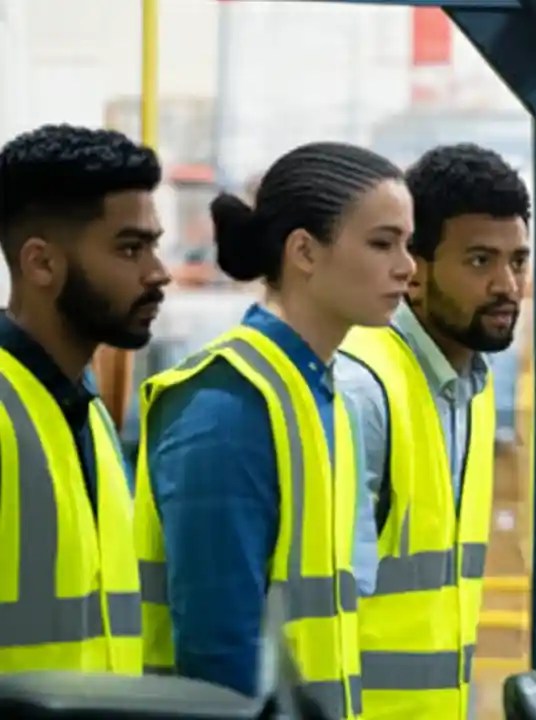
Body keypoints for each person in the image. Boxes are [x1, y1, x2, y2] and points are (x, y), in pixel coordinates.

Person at [132, 142, 415, 719]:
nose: (407, 266)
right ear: (305, 252)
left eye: (406, 244)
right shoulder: (228, 402)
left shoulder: (322, 393)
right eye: (383, 243)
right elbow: (218, 647)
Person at [335, 142, 531, 719]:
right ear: (413, 274)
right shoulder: (361, 391)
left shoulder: (472, 387)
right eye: (479, 261)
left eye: (517, 260)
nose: (507, 286)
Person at [0, 124, 168, 674]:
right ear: (41, 264)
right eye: (130, 249)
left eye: (154, 245)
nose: (157, 272)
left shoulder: (87, 410)